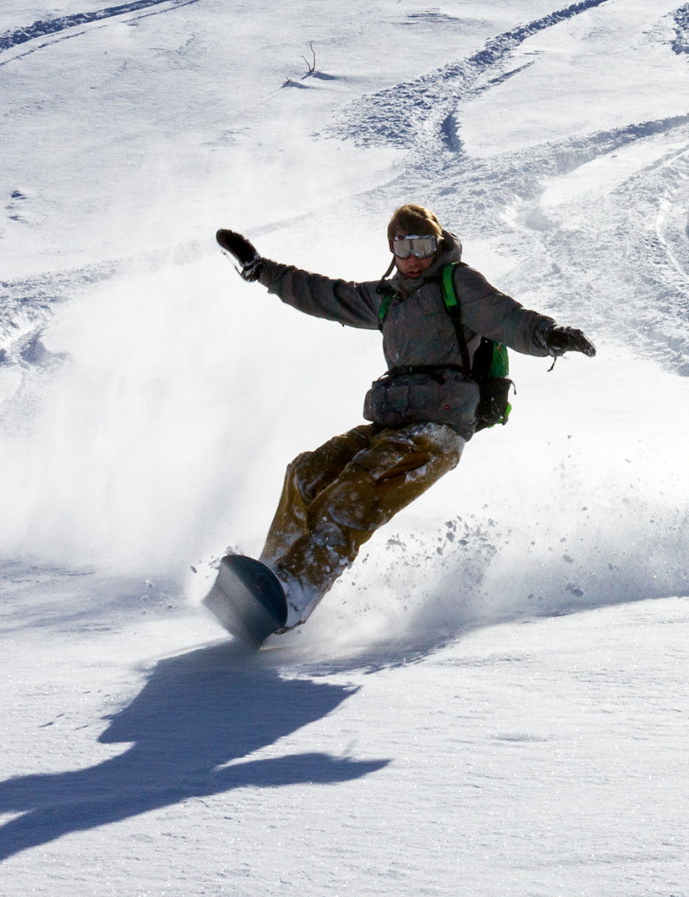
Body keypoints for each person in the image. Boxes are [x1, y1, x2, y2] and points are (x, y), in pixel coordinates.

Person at [210, 203, 595, 643]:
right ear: (391, 249)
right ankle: (274, 578)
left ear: (438, 243)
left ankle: (296, 591)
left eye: (423, 245)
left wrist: (548, 335)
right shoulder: (387, 298)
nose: (414, 257)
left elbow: (506, 316)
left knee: (355, 488)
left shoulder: (458, 284)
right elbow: (322, 293)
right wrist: (262, 270)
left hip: (438, 430)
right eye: (403, 246)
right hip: (391, 424)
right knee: (307, 472)